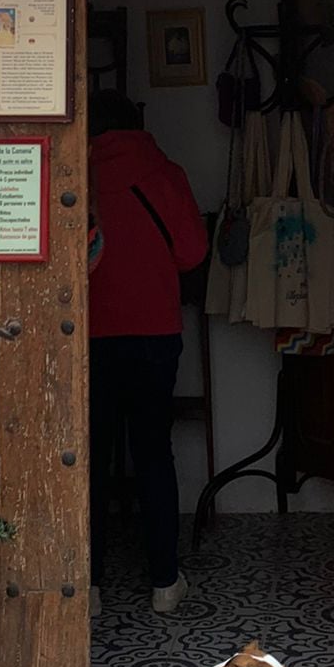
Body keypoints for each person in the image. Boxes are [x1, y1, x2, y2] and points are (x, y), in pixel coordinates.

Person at [88, 90, 209, 615]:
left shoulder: (73, 173)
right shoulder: (166, 174)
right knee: (153, 452)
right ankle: (164, 582)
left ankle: (86, 588)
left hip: (87, 337)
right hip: (156, 335)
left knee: (86, 459)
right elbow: (192, 254)